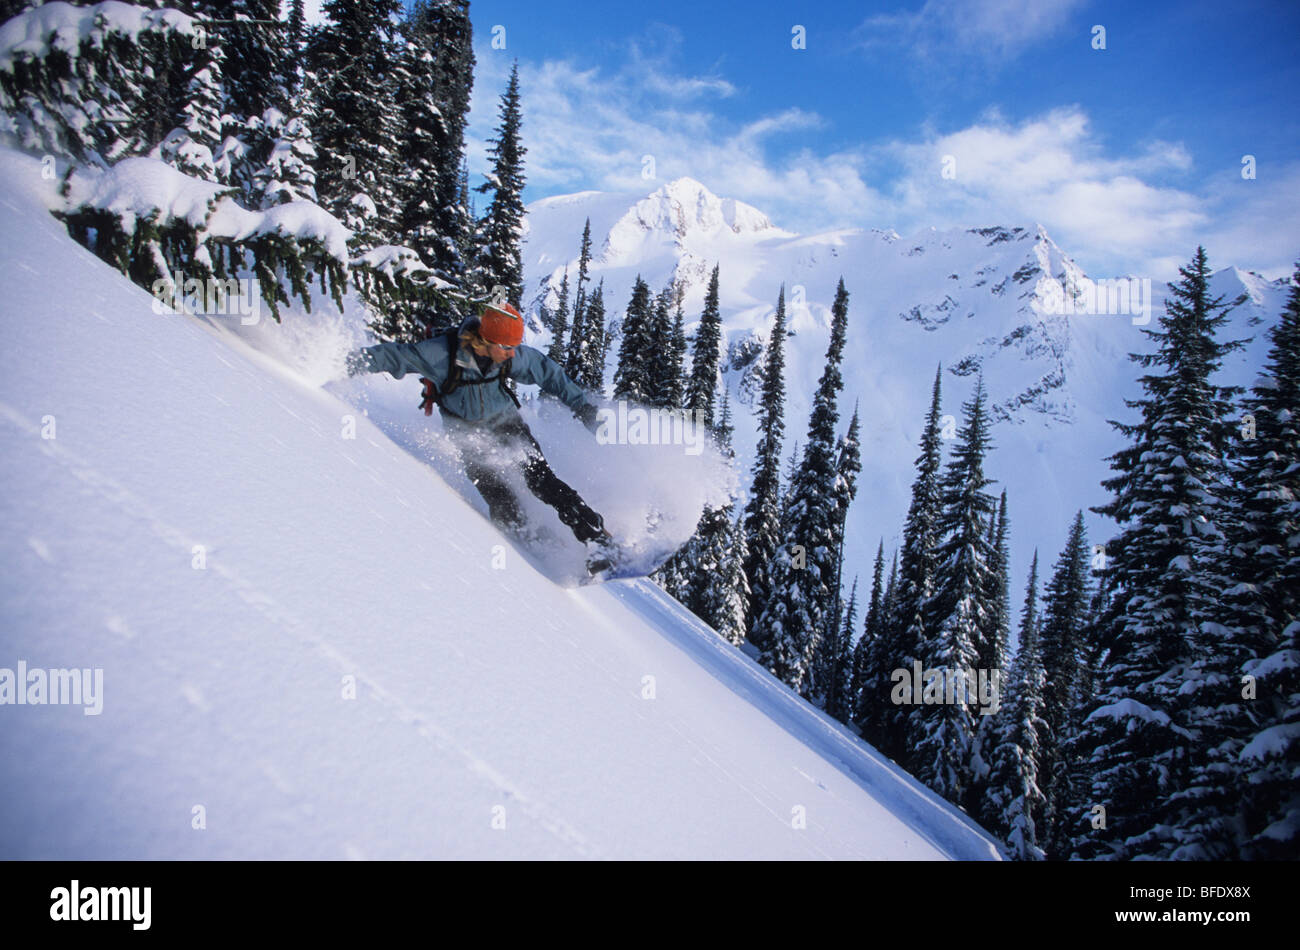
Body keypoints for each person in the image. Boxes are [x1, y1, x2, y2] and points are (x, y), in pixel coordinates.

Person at [345, 300, 617, 572]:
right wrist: (345, 363)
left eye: (514, 347)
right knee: (499, 499)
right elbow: (394, 357)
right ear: (486, 340)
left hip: (507, 423)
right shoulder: (440, 356)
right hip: (467, 435)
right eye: (507, 348)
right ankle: (535, 546)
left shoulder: (510, 355)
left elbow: (549, 373)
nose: (512, 354)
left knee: (541, 481)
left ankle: (596, 537)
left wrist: (582, 407)